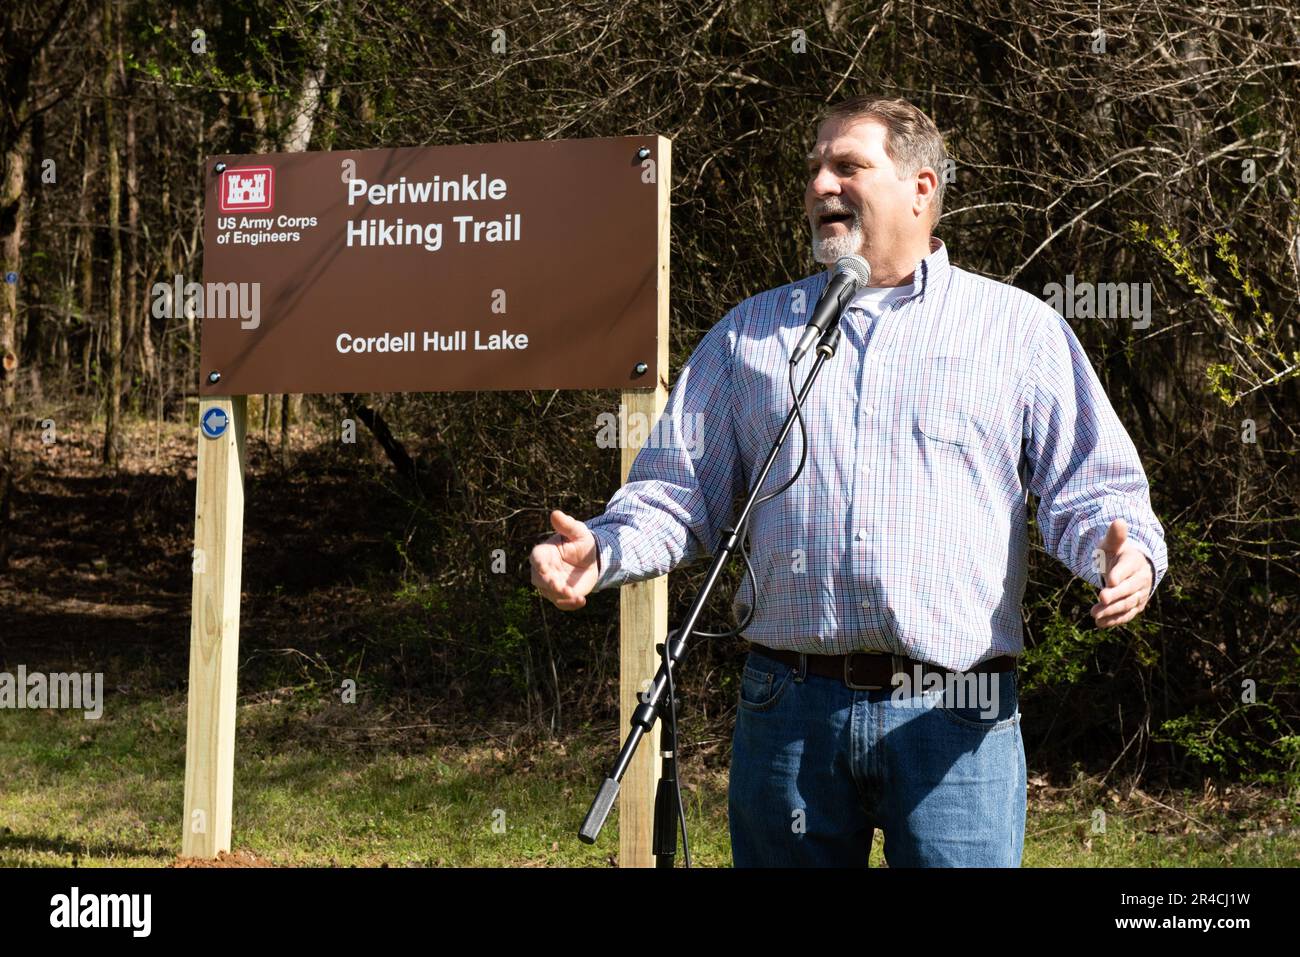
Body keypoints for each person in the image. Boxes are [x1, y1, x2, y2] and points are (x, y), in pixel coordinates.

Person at [529, 94, 1167, 867]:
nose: (822, 185)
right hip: (788, 713)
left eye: (848, 166)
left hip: (955, 713)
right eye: (814, 169)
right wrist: (600, 551)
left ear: (921, 188)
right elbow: (676, 493)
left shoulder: (1016, 331)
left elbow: (1094, 492)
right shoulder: (751, 336)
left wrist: (1122, 557)